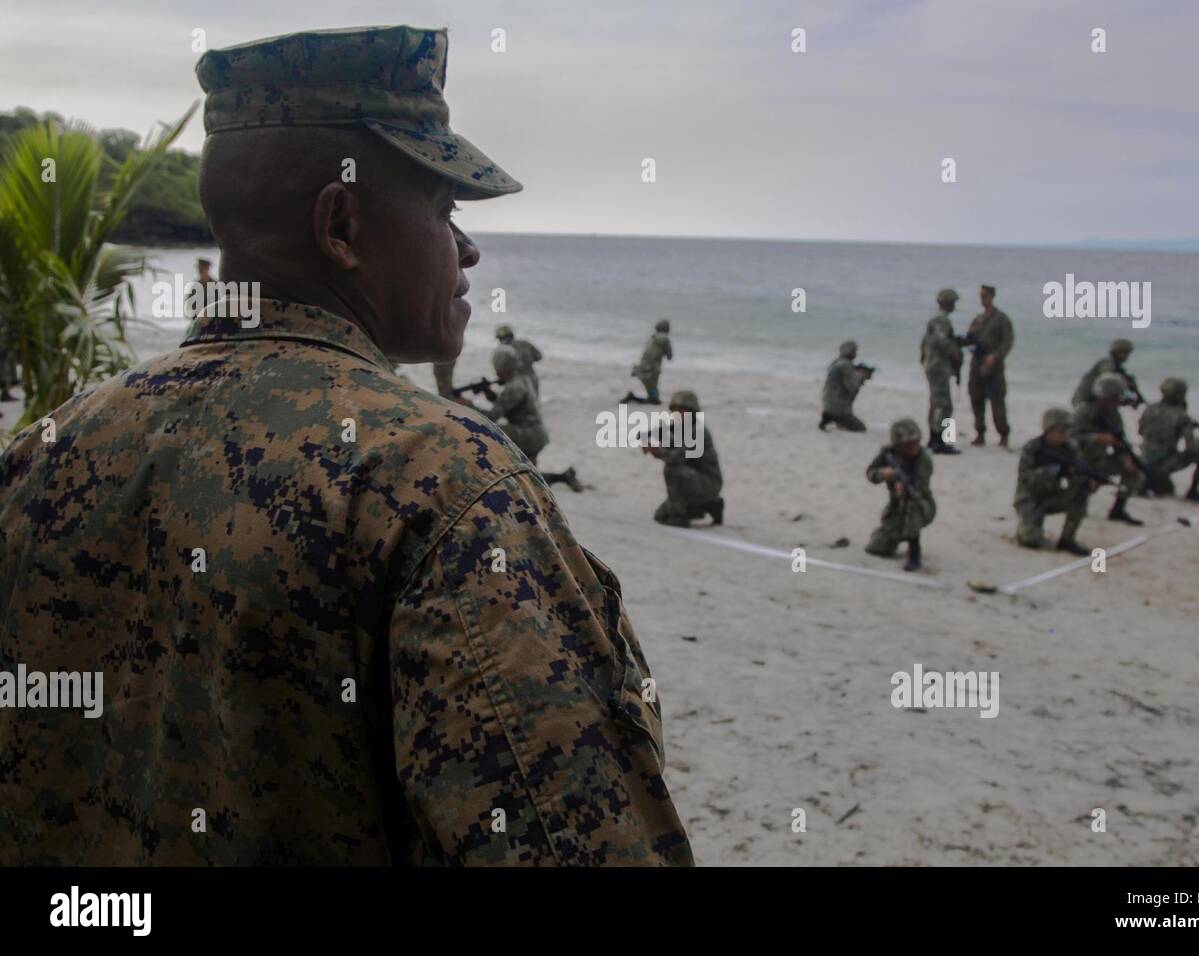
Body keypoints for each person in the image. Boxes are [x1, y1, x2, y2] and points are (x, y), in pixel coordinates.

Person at [0, 25, 691, 867]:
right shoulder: (442, 485)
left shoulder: (42, 452)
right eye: (443, 212)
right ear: (342, 225)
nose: (468, 251)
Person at [478, 346, 582, 492]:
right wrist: (490, 394)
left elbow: (491, 416)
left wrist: (468, 406)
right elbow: (511, 406)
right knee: (529, 475)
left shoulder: (514, 387)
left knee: (491, 433)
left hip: (528, 435)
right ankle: (564, 477)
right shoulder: (523, 379)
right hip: (536, 433)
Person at [1014, 408, 1094, 554]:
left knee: (1081, 492)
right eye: (1060, 430)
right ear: (1049, 430)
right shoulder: (1033, 448)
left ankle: (1067, 539)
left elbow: (1078, 470)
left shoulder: (1070, 448)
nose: (1064, 434)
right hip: (1030, 498)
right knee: (1030, 541)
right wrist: (1055, 470)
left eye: (1067, 430)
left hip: (1052, 495)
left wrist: (1085, 480)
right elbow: (1027, 478)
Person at [1071, 372, 1145, 526]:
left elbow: (1120, 440)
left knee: (1134, 473)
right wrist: (1096, 438)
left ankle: (1118, 510)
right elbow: (1069, 439)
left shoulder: (1113, 415)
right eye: (1114, 399)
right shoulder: (1084, 411)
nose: (1117, 403)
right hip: (1079, 461)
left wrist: (1126, 457)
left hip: (1100, 460)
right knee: (1079, 500)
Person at [642, 390, 723, 528]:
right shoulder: (677, 430)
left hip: (708, 482)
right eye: (675, 409)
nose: (678, 413)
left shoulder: (698, 432)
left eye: (683, 409)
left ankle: (679, 516)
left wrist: (657, 450)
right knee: (660, 516)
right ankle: (710, 506)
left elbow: (677, 457)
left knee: (672, 470)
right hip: (691, 480)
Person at [864, 418, 935, 571]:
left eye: (916, 442)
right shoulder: (888, 454)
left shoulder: (923, 459)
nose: (914, 447)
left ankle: (914, 552)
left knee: (912, 507)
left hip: (921, 504)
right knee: (876, 548)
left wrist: (903, 488)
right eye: (909, 444)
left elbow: (920, 488)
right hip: (896, 506)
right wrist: (883, 474)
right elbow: (870, 473)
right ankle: (890, 534)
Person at [1138, 377, 1199, 503]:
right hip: (1163, 464)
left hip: (1143, 462)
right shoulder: (1181, 415)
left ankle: (1149, 483)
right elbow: (1191, 447)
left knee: (1166, 489)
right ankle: (1193, 490)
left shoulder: (1149, 409)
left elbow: (1140, 431)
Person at [965, 284, 1014, 447]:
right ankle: (980, 432)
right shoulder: (978, 319)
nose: (983, 299)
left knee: (997, 400)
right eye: (981, 296)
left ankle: (1003, 434)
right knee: (976, 397)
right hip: (977, 363)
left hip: (994, 365)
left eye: (985, 296)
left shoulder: (1001, 319)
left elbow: (1008, 341)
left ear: (992, 297)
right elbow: (969, 338)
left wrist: (996, 355)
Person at [919, 288, 963, 453]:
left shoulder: (936, 320)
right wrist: (956, 353)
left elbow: (925, 344)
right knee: (943, 404)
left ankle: (935, 438)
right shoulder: (941, 321)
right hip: (939, 367)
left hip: (934, 365)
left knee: (937, 402)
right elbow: (942, 342)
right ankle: (940, 440)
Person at [1072, 338, 1140, 409]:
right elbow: (1107, 381)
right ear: (1118, 352)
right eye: (1125, 352)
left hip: (1090, 400)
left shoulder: (1116, 367)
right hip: (1086, 401)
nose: (1127, 356)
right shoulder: (1107, 363)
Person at [820, 340, 871, 432]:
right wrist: (861, 376)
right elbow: (852, 388)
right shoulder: (846, 366)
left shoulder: (835, 363)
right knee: (861, 429)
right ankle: (839, 421)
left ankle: (829, 419)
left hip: (828, 404)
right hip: (839, 408)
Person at [625, 319, 672, 404]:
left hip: (644, 365)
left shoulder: (652, 338)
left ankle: (637, 397)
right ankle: (649, 397)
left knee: (650, 387)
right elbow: (669, 356)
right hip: (654, 367)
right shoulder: (665, 339)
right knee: (653, 389)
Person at [495, 323, 542, 394]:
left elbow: (500, 370)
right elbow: (539, 356)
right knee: (533, 403)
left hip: (515, 383)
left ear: (500, 338)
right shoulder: (525, 343)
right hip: (532, 379)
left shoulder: (503, 350)